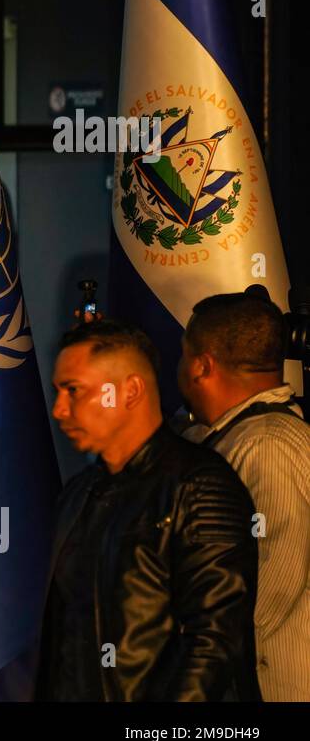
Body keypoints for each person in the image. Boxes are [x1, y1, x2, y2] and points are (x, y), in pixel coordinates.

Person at [39, 319, 260, 701]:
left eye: (74, 391)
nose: (59, 410)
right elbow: (63, 640)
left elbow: (215, 642)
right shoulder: (78, 495)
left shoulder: (198, 486)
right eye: (58, 392)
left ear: (130, 391)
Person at [176, 287, 310, 701]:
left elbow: (272, 584)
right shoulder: (233, 438)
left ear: (201, 366)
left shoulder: (266, 445)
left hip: (269, 688)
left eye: (183, 354)